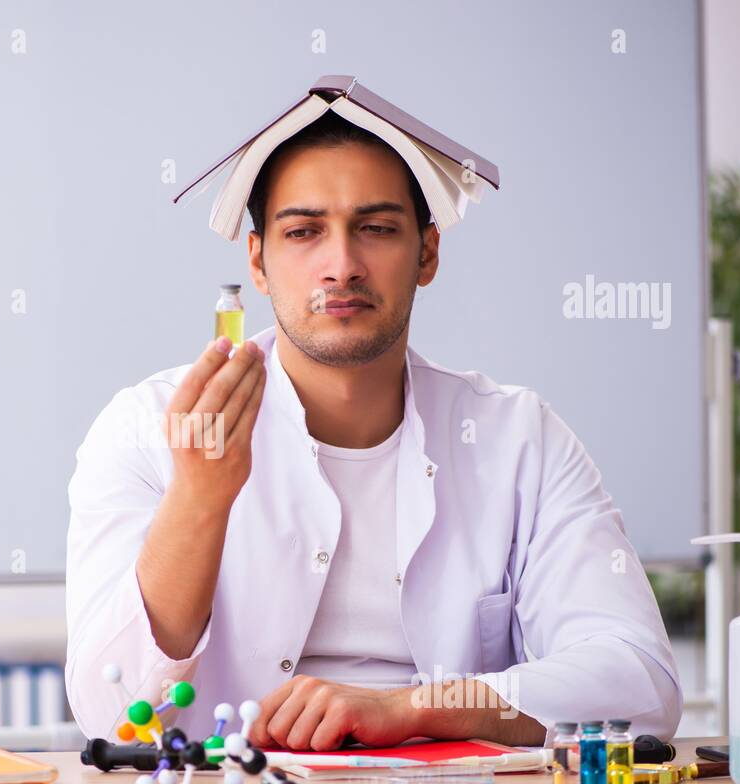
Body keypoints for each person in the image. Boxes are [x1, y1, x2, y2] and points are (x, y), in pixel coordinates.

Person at [64, 112, 682, 750]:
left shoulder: (520, 438)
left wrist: (415, 708)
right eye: (304, 231)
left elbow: (639, 683)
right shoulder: (145, 428)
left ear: (427, 252)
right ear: (258, 261)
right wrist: (198, 496)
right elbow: (110, 711)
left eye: (377, 229)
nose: (342, 266)